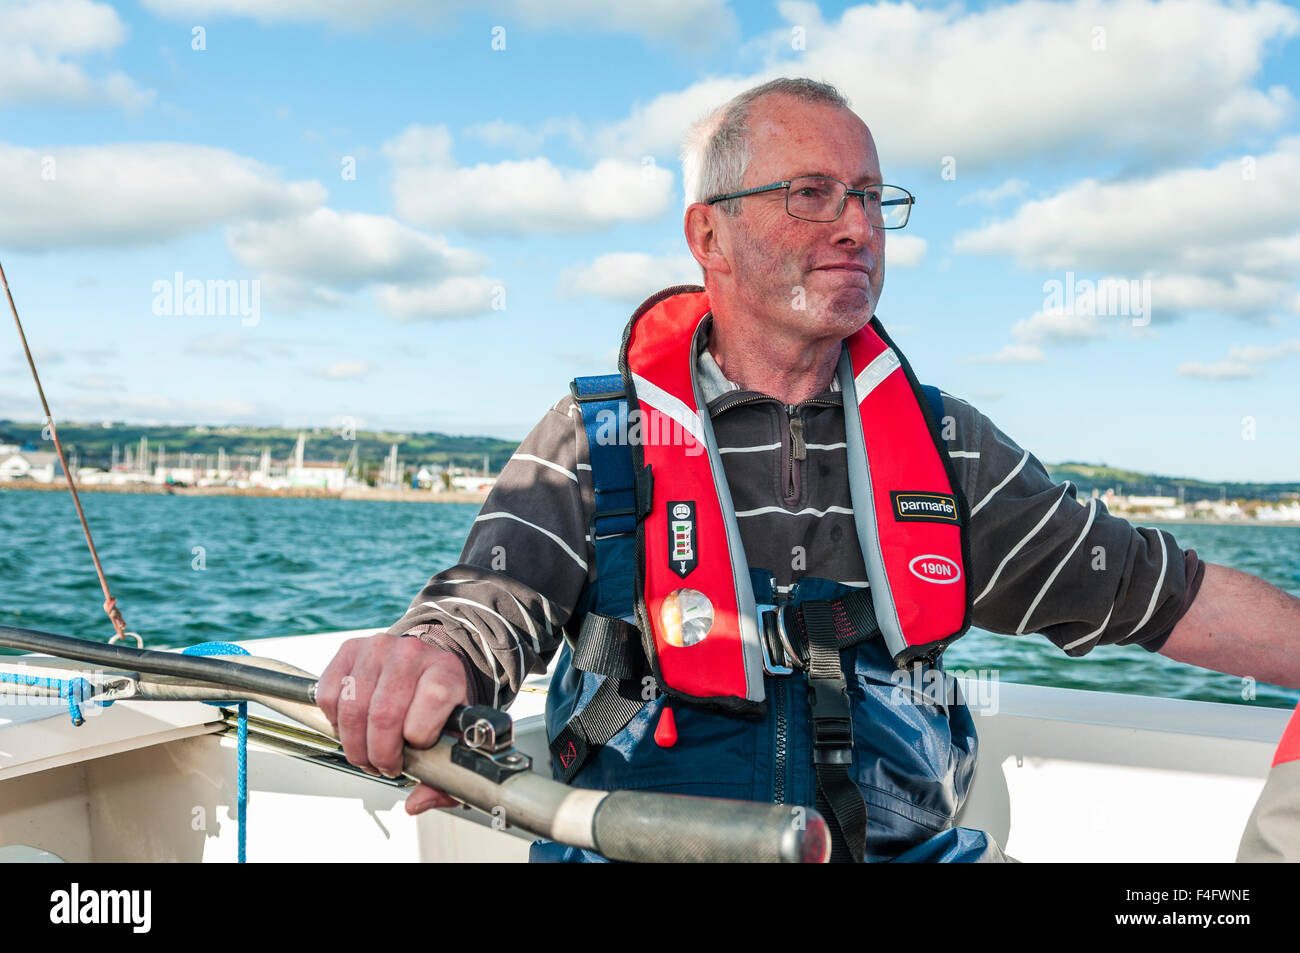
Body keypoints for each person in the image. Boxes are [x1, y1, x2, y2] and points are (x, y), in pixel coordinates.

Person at [318, 77, 1300, 862]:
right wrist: (431, 657)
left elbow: (1151, 590)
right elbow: (491, 596)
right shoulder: (598, 433)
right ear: (709, 234)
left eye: (871, 197)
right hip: (637, 849)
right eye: (811, 194)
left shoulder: (948, 448)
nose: (857, 227)